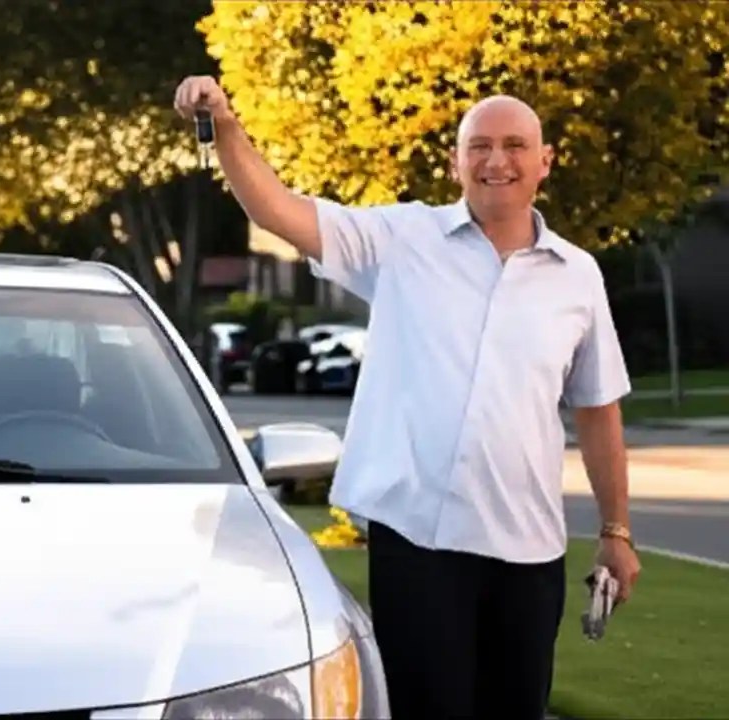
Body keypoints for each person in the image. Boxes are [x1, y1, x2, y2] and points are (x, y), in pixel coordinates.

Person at [173, 76, 642, 719]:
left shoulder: (579, 275)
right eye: (478, 146)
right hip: (419, 543)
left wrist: (616, 530)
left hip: (530, 553)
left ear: (545, 161)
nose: (496, 161)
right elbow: (277, 209)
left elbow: (598, 408)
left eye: (514, 145)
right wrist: (225, 124)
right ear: (455, 162)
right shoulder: (401, 241)